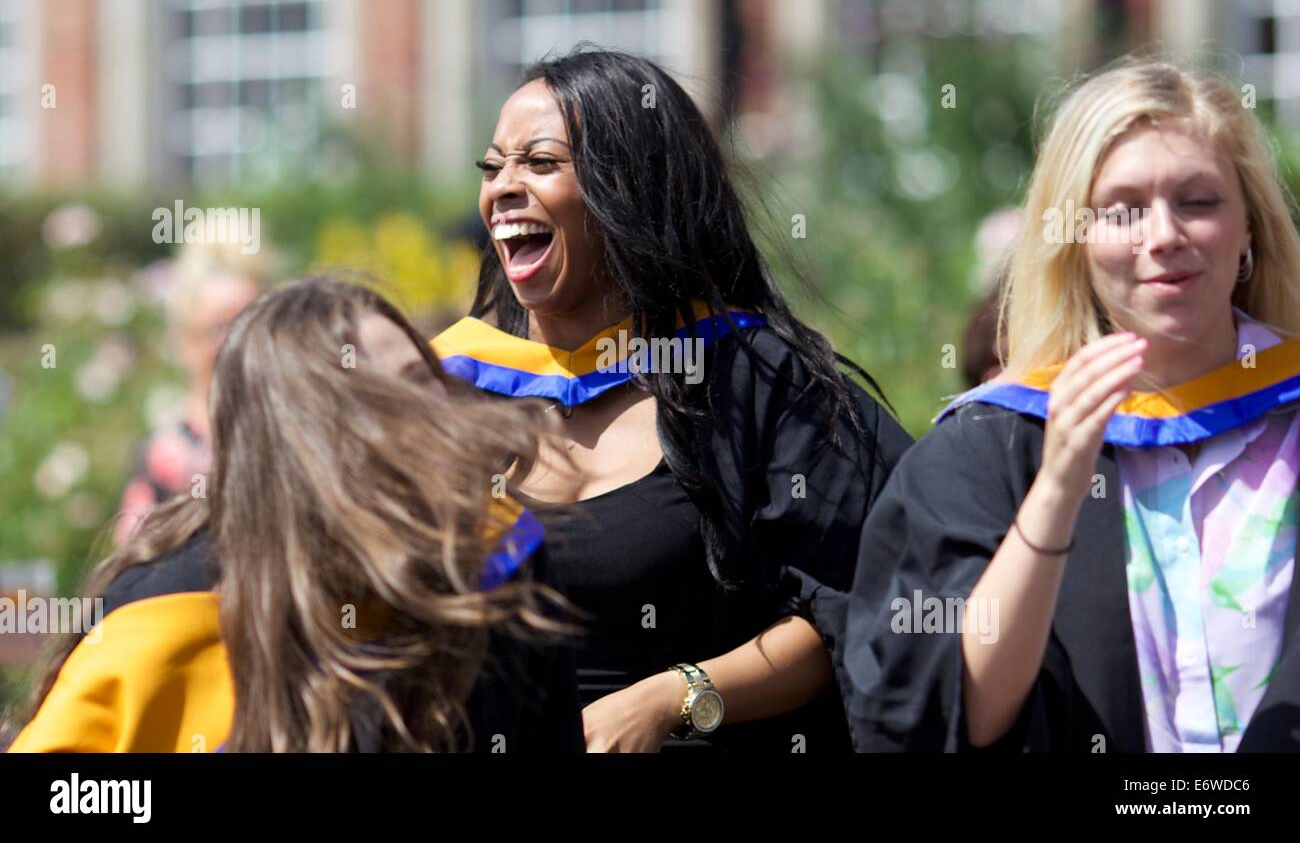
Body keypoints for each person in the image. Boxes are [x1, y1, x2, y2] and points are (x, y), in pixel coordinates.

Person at [433, 47, 912, 752]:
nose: (503, 187)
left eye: (539, 163)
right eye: (493, 165)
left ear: (628, 189)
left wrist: (676, 696)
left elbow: (845, 611)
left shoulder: (753, 382)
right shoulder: (450, 393)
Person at [839, 58, 1300, 752]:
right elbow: (958, 721)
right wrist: (1055, 489)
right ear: (1076, 239)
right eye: (1121, 210)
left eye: (1199, 201)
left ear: (1248, 230)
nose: (1164, 233)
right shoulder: (989, 447)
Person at [9, 277, 581, 752]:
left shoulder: (494, 562)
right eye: (388, 394)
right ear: (305, 430)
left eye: (424, 380)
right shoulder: (165, 611)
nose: (431, 412)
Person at [113, 242, 269, 547]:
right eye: (220, 326)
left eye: (250, 321)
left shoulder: (296, 434)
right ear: (185, 340)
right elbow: (132, 571)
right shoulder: (162, 459)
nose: (235, 340)